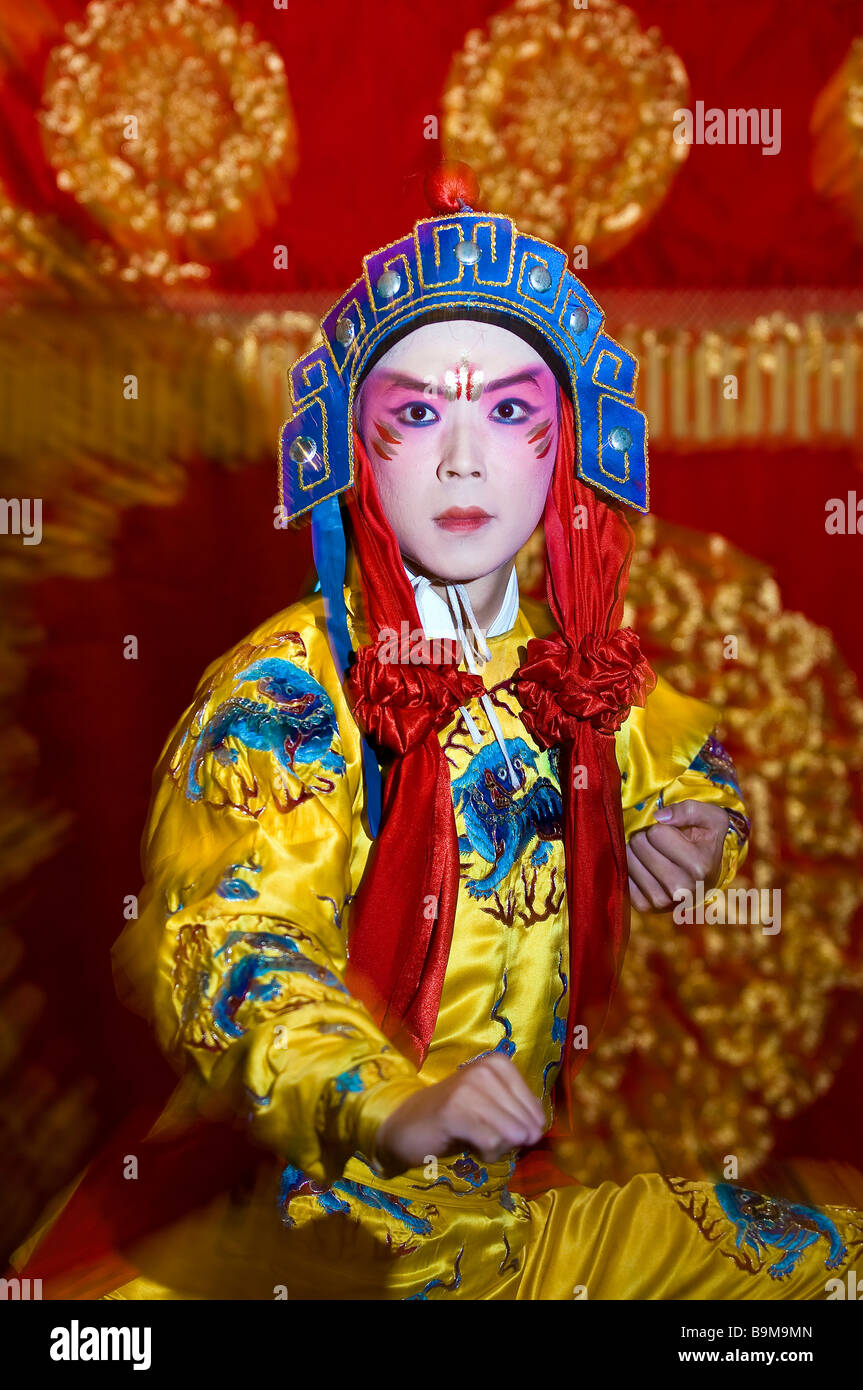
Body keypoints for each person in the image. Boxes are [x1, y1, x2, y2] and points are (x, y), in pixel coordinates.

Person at [11, 166, 863, 1300]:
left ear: (563, 445)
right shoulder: (291, 694)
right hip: (329, 1216)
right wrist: (393, 1104)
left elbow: (679, 757)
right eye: (417, 414)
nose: (464, 460)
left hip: (511, 1196)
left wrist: (695, 822)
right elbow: (228, 952)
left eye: (506, 411)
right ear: (352, 448)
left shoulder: (575, 659)